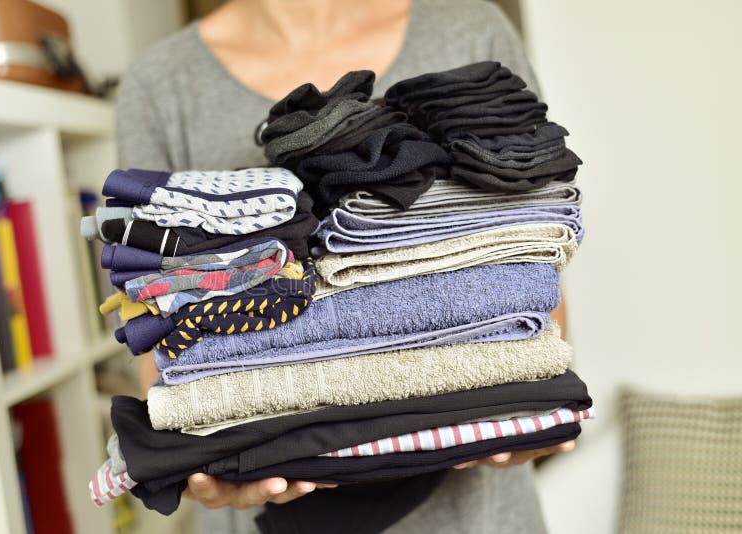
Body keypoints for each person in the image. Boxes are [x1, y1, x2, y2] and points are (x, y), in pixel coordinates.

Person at [117, 0, 573, 531]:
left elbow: (537, 286)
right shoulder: (158, 84)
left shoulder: (472, 31)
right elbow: (159, 350)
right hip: (268, 502)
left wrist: (530, 403)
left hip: (484, 516)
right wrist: (195, 452)